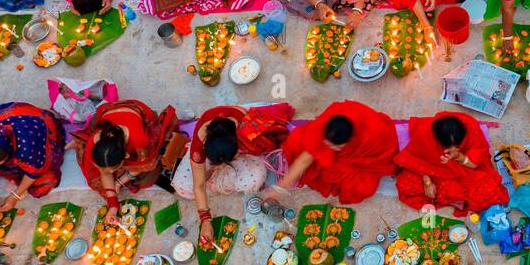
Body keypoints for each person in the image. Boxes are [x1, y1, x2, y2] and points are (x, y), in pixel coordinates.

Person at [182, 104, 293, 241]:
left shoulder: (245, 126)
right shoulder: (198, 151)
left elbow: (267, 144)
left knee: (254, 179)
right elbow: (198, 185)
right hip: (218, 155)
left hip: (237, 148)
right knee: (184, 188)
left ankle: (219, 178)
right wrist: (205, 220)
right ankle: (217, 176)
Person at [270, 102, 399, 205]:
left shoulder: (374, 134)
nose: (329, 147)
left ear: (351, 140)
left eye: (335, 146)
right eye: (327, 143)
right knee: (296, 141)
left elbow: (379, 159)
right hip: (342, 146)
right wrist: (279, 188)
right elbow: (304, 159)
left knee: (362, 189)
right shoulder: (329, 120)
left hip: (361, 160)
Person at [395, 112, 509, 217]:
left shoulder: (471, 128)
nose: (453, 149)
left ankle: (453, 198)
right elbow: (417, 160)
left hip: (466, 171)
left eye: (457, 144)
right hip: (435, 171)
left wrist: (460, 157)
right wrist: (427, 181)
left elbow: (474, 164)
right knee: (405, 185)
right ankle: (454, 199)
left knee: (489, 191)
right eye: (448, 146)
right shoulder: (426, 134)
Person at [75, 99, 180, 210]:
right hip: (109, 112)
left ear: (126, 156)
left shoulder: (139, 141)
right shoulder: (94, 143)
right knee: (95, 177)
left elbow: (143, 165)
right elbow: (105, 174)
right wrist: (113, 206)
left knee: (146, 177)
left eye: (113, 168)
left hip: (137, 111)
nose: (107, 173)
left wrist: (119, 182)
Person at [0, 103, 64, 208]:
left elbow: (33, 172)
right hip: (8, 121)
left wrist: (15, 196)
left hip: (39, 126)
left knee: (41, 185)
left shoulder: (28, 147)